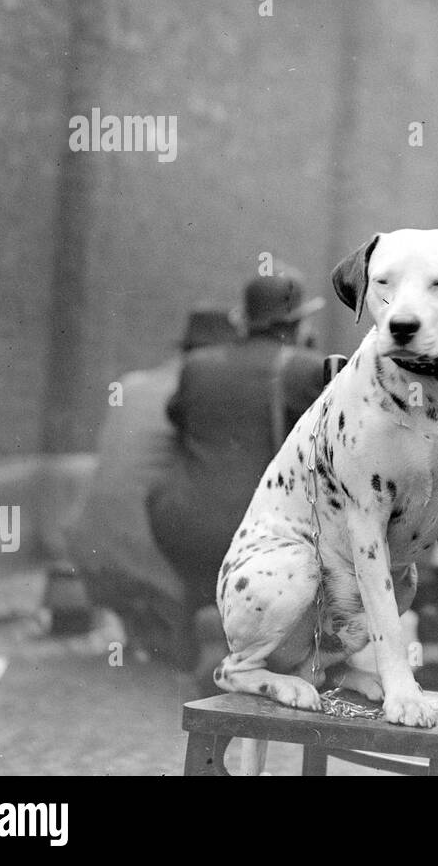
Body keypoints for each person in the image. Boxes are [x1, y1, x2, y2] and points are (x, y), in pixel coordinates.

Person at [149, 266, 326, 630]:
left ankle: (193, 651)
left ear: (244, 320)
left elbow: (177, 418)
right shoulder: (306, 369)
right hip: (258, 533)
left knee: (200, 589)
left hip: (187, 525)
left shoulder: (197, 365)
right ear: (296, 324)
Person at [63, 308, 237, 667]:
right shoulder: (204, 394)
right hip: (148, 555)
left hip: (86, 547)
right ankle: (175, 631)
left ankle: (145, 628)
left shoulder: (132, 382)